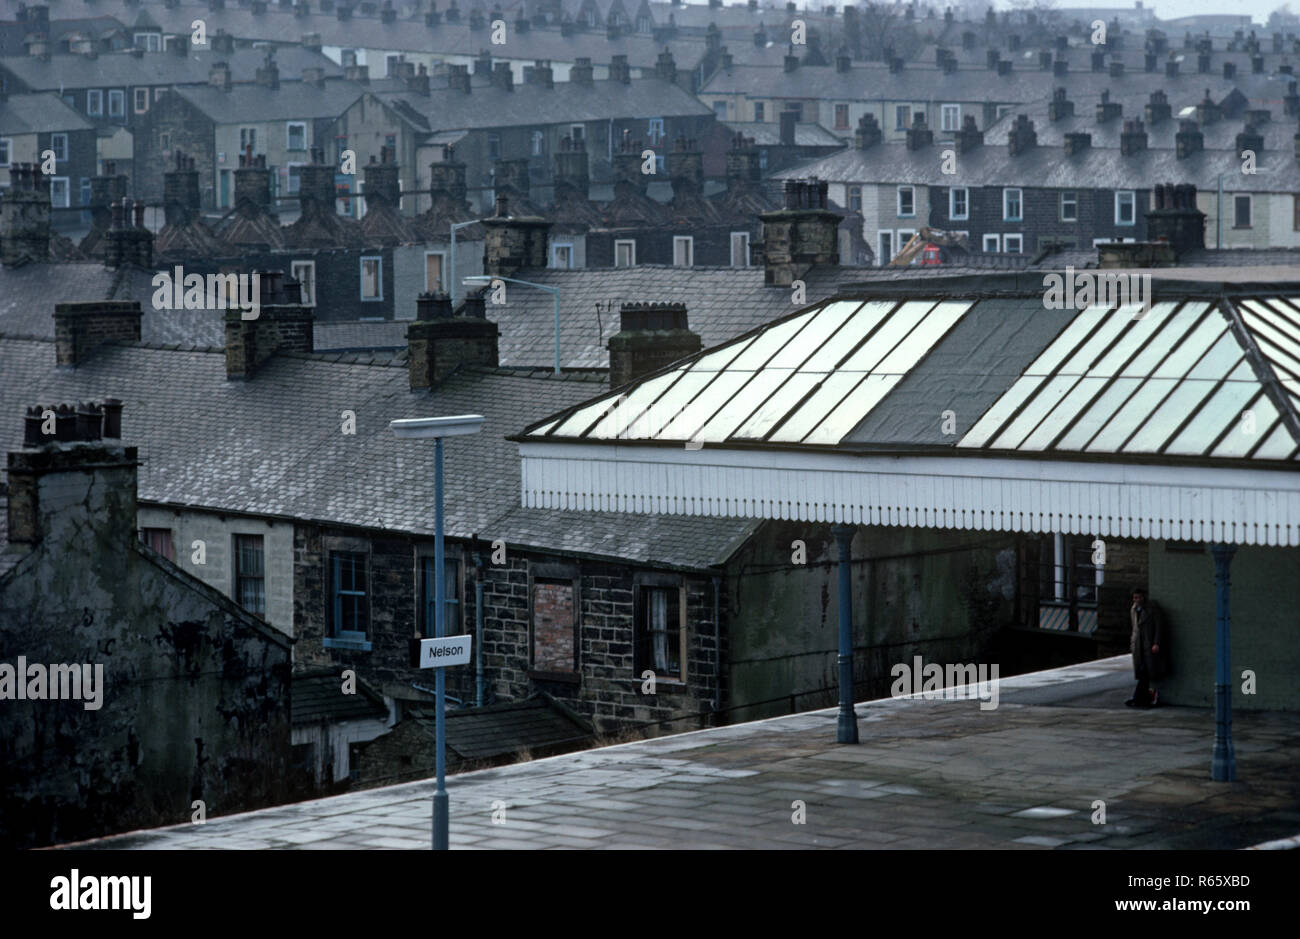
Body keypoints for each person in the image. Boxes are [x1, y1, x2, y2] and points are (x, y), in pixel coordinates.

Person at [1126, 587, 1166, 708]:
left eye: (1138, 597)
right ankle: (1140, 698)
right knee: (1143, 671)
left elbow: (1159, 627)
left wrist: (1156, 642)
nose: (1136, 600)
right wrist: (1132, 643)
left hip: (1149, 643)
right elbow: (1134, 628)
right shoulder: (1133, 609)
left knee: (1146, 672)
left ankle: (1139, 697)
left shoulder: (1152, 609)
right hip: (1139, 645)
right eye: (1134, 598)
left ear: (1143, 597)